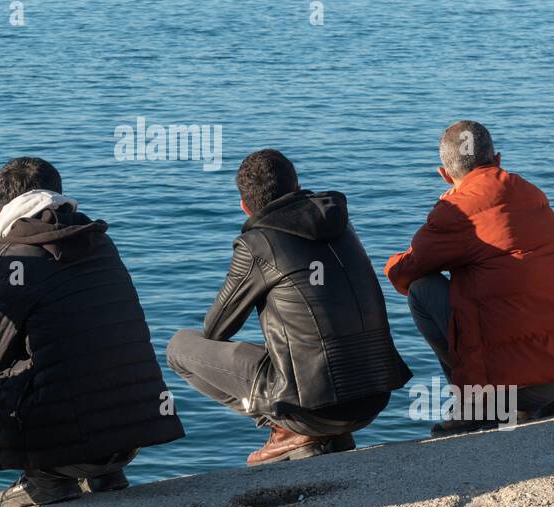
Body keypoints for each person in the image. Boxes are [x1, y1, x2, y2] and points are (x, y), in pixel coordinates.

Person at [0, 157, 184, 507]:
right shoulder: (102, 243)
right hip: (128, 442)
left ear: (2, 207)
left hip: (70, 441)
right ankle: (104, 476)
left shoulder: (13, 254)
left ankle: (45, 477)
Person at [167, 149, 412, 465]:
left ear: (244, 206)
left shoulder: (258, 243)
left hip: (312, 408)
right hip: (373, 398)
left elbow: (216, 329)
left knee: (179, 348)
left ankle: (288, 429)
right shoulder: (342, 225)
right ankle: (325, 433)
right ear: (296, 188)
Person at [384, 121, 554, 436]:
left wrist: (443, 218)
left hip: (528, 384)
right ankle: (530, 404)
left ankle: (476, 406)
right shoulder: (530, 193)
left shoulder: (454, 210)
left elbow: (403, 273)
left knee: (422, 289)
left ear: (444, 174)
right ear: (498, 159)